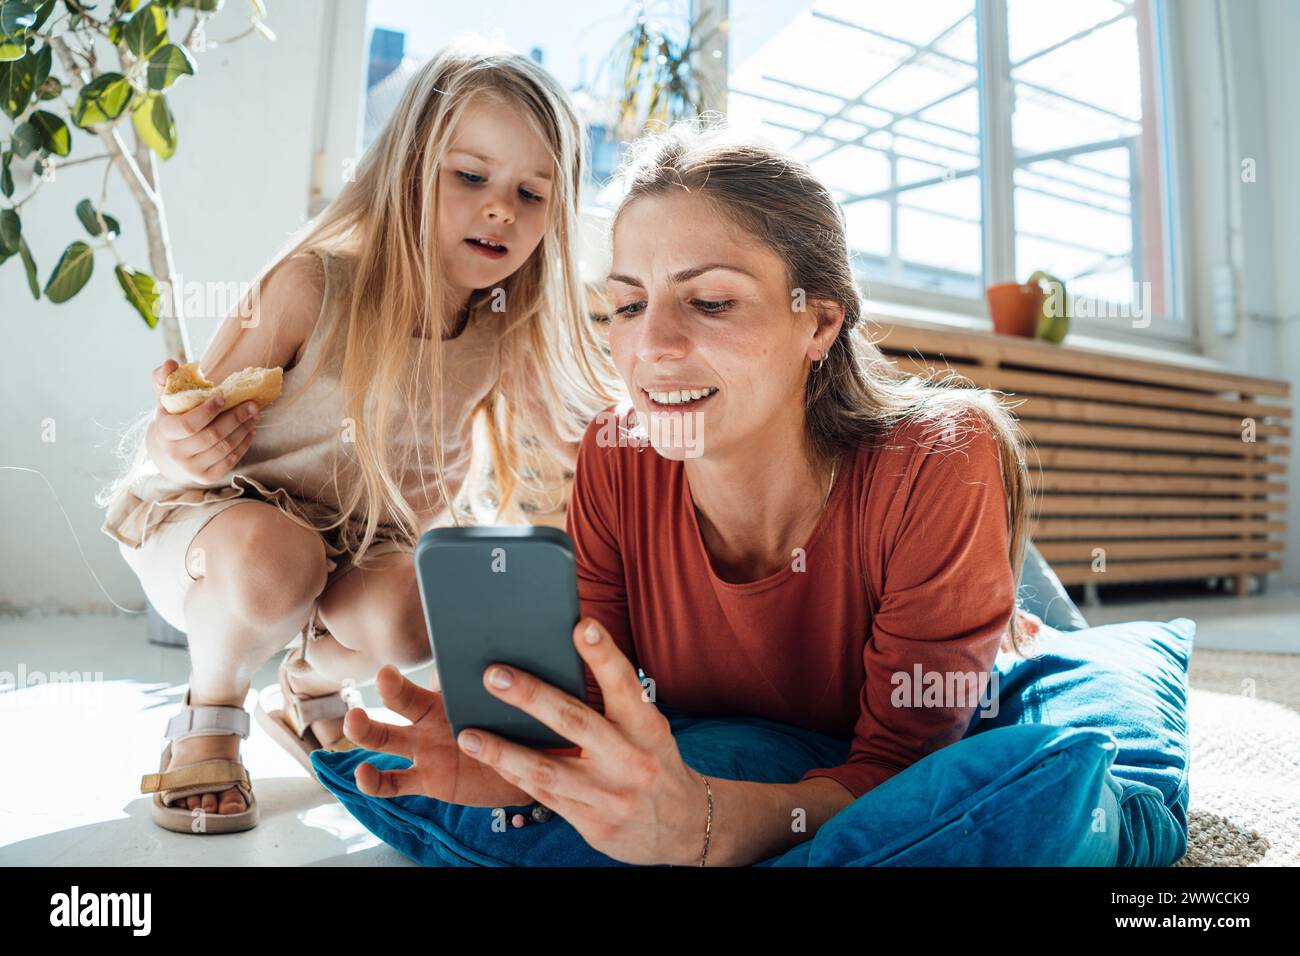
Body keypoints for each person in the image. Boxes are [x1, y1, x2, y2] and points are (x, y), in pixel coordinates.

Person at [342, 123, 1037, 866]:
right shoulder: (616, 454)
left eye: (709, 302)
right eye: (629, 305)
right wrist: (533, 762)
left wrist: (707, 824)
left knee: (1034, 637)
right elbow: (603, 710)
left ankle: (1017, 608)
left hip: (944, 544)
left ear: (821, 320)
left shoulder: (939, 460)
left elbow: (903, 779)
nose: (652, 347)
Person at [97, 40, 618, 834]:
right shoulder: (313, 283)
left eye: (531, 193)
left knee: (426, 606)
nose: (501, 209)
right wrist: (179, 441)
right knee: (278, 559)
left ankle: (305, 686)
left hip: (355, 553)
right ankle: (211, 708)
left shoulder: (507, 330)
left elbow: (593, 449)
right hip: (216, 544)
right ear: (410, 169)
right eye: (471, 176)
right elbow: (179, 431)